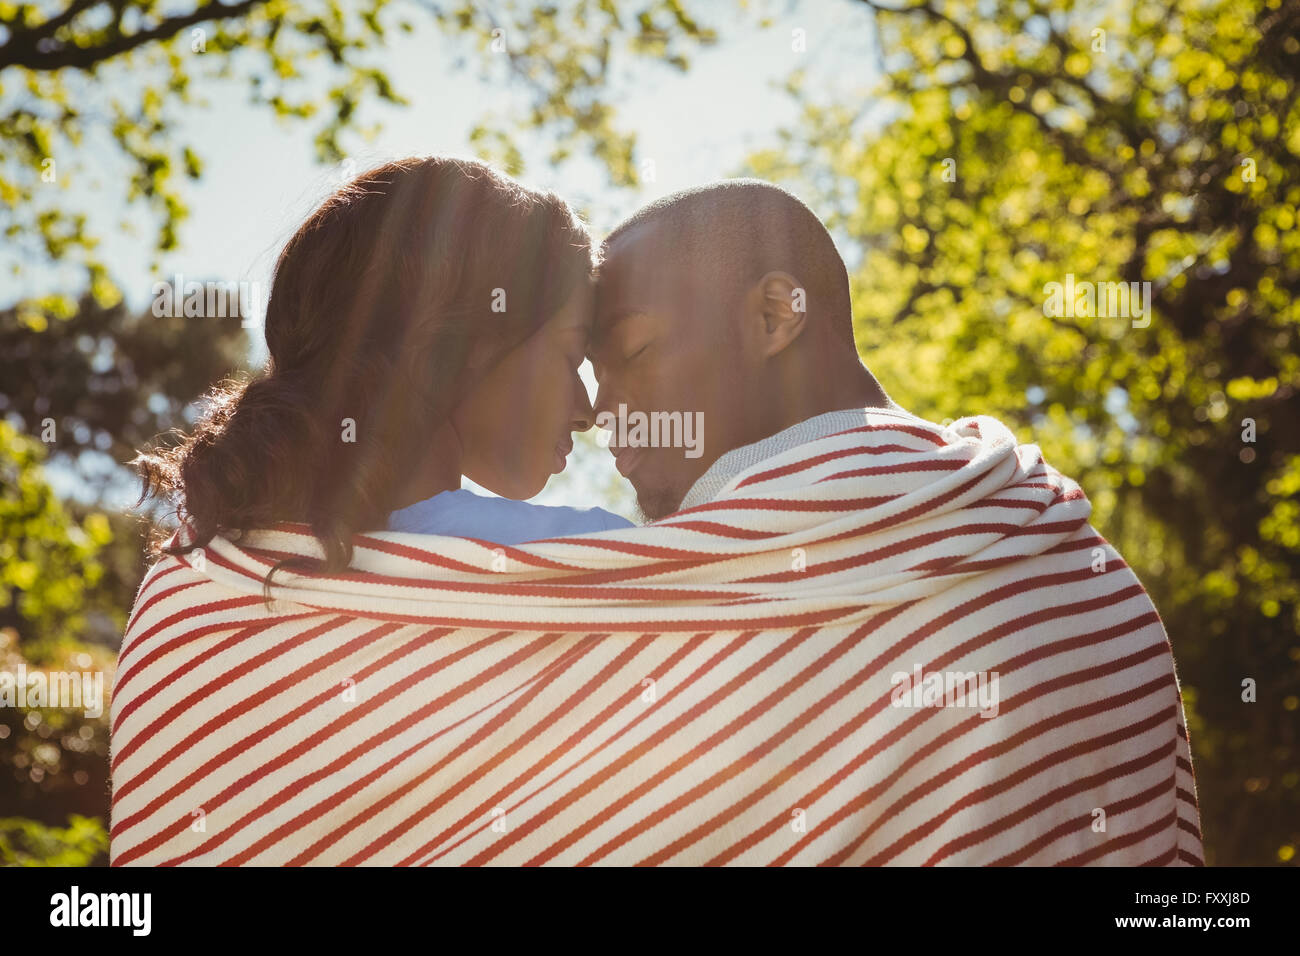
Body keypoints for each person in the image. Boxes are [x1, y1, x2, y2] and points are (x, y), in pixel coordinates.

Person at [135, 155, 630, 561]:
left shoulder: (191, 571)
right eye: (569, 354)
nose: (588, 411)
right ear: (454, 346)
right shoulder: (597, 560)